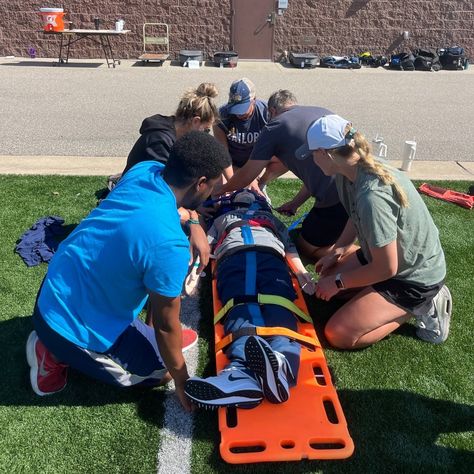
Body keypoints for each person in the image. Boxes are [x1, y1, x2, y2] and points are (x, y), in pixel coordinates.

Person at [26, 132, 231, 411]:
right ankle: (50, 356)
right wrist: (183, 381)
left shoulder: (145, 170)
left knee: (146, 272)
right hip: (65, 327)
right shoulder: (168, 245)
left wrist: (194, 223)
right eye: (216, 182)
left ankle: (136, 341)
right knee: (164, 372)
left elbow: (171, 213)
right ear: (201, 182)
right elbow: (166, 324)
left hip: (53, 288)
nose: (217, 188)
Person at [296, 114, 452, 349]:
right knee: (326, 284)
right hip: (390, 260)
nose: (312, 160)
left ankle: (424, 304)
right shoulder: (349, 171)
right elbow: (354, 214)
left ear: (326, 154)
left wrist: (340, 282)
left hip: (412, 276)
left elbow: (387, 268)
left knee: (339, 333)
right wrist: (338, 250)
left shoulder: (372, 196)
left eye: (313, 154)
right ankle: (372, 294)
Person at [184, 190, 315, 409]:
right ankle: (245, 374)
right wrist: (195, 270)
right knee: (241, 305)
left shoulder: (272, 219)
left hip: (270, 258)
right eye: (239, 192)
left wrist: (302, 274)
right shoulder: (222, 219)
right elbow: (203, 246)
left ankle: (274, 363)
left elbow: (290, 248)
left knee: (278, 303)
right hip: (234, 259)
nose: (245, 193)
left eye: (250, 191)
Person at [216, 89, 351, 261]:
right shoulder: (321, 111)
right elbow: (313, 170)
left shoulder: (275, 125)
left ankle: (361, 257)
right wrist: (295, 203)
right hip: (355, 185)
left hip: (335, 199)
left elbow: (249, 173)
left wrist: (221, 191)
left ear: (271, 112)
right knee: (311, 231)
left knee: (305, 248)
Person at [121, 82, 226, 276]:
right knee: (181, 227)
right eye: (205, 130)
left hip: (149, 194)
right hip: (138, 200)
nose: (206, 135)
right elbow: (162, 192)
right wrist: (193, 217)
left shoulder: (172, 132)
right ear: (195, 121)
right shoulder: (160, 142)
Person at [212, 78, 286, 188]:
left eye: (242, 108)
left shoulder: (267, 113)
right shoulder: (221, 115)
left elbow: (277, 147)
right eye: (235, 108)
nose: (238, 114)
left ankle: (261, 183)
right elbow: (223, 154)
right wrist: (233, 184)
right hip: (232, 163)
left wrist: (254, 180)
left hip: (257, 161)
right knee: (219, 200)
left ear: (254, 100)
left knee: (286, 157)